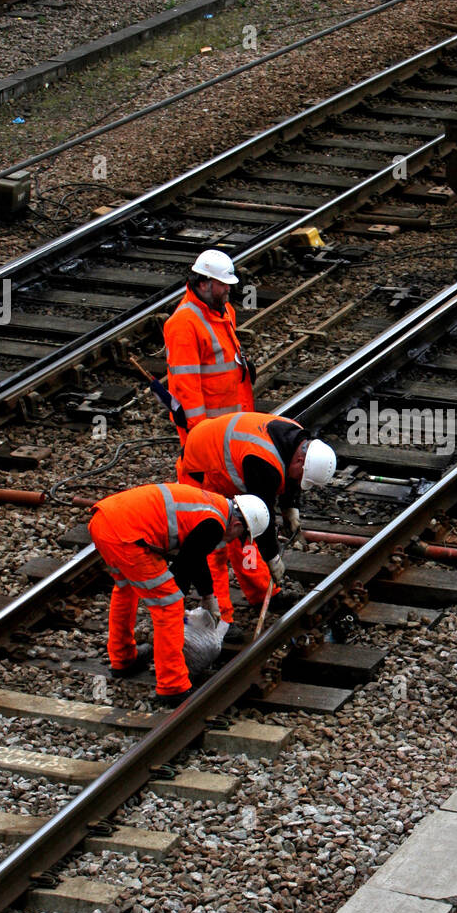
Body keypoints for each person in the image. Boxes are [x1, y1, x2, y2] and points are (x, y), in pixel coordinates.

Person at [88, 482, 269, 708]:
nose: (234, 541)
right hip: (127, 536)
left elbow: (195, 555)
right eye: (239, 535)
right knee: (169, 604)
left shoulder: (213, 508)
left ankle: (123, 658)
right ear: (237, 523)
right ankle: (172, 685)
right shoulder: (214, 524)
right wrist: (181, 604)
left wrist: (207, 596)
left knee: (125, 589)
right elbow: (183, 568)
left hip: (105, 522)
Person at [176, 411, 336, 623]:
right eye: (303, 478)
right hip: (203, 469)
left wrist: (290, 506)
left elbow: (291, 476)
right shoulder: (263, 461)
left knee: (245, 537)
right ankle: (220, 616)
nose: (300, 483)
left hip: (234, 466)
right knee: (215, 547)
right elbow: (264, 519)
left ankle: (261, 593)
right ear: (300, 459)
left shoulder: (297, 439)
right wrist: (273, 557)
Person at [162, 249, 255, 447]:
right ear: (203, 284)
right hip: (209, 428)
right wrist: (199, 434)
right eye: (222, 284)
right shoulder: (183, 324)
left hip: (230, 420)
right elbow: (185, 387)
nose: (228, 289)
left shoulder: (224, 311)